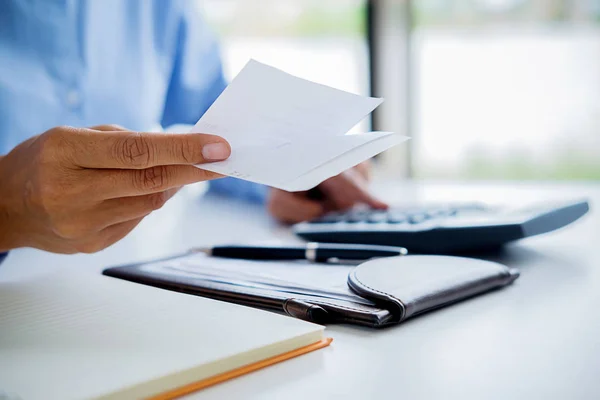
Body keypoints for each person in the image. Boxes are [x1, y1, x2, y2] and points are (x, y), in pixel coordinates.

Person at [0, 0, 387, 257]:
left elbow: (218, 128)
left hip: (121, 289)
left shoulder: (161, 9)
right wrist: (8, 209)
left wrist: (284, 172)